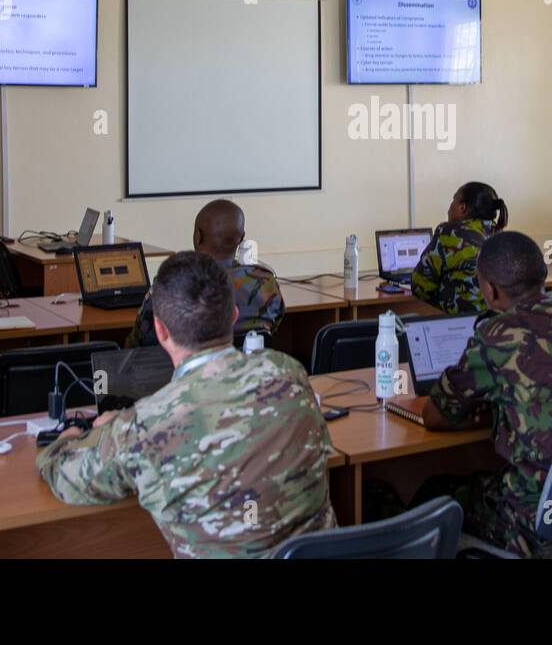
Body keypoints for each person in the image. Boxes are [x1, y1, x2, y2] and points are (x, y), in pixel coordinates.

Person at [37, 251, 335, 558]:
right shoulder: (288, 372)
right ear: (233, 315)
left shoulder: (147, 423)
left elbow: (67, 479)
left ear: (161, 330)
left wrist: (71, 440)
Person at [417, 230, 552, 557]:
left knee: (435, 492)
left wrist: (485, 413)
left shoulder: (496, 335)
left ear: (490, 289)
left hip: (544, 524)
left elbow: (434, 415)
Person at [126, 199, 284, 347]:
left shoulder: (172, 287)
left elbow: (137, 344)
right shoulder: (265, 283)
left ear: (198, 237)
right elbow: (273, 328)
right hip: (248, 374)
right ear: (241, 238)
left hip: (183, 376)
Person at [411, 181, 509, 315]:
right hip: (496, 323)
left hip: (459, 323)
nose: (449, 207)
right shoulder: (499, 234)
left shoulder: (449, 231)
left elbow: (421, 287)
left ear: (463, 208)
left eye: (453, 200)